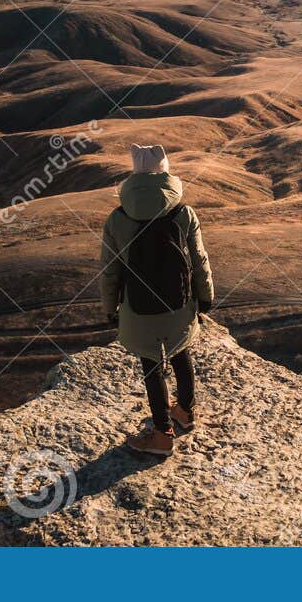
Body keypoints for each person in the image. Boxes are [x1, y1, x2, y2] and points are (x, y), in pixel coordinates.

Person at [100, 144, 214, 457]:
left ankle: (162, 435)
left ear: (134, 173)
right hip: (180, 302)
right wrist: (205, 299)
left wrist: (111, 310)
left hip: (138, 308)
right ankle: (186, 413)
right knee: (181, 353)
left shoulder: (117, 219)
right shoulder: (183, 213)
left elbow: (110, 272)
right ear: (166, 172)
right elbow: (199, 260)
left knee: (151, 367)